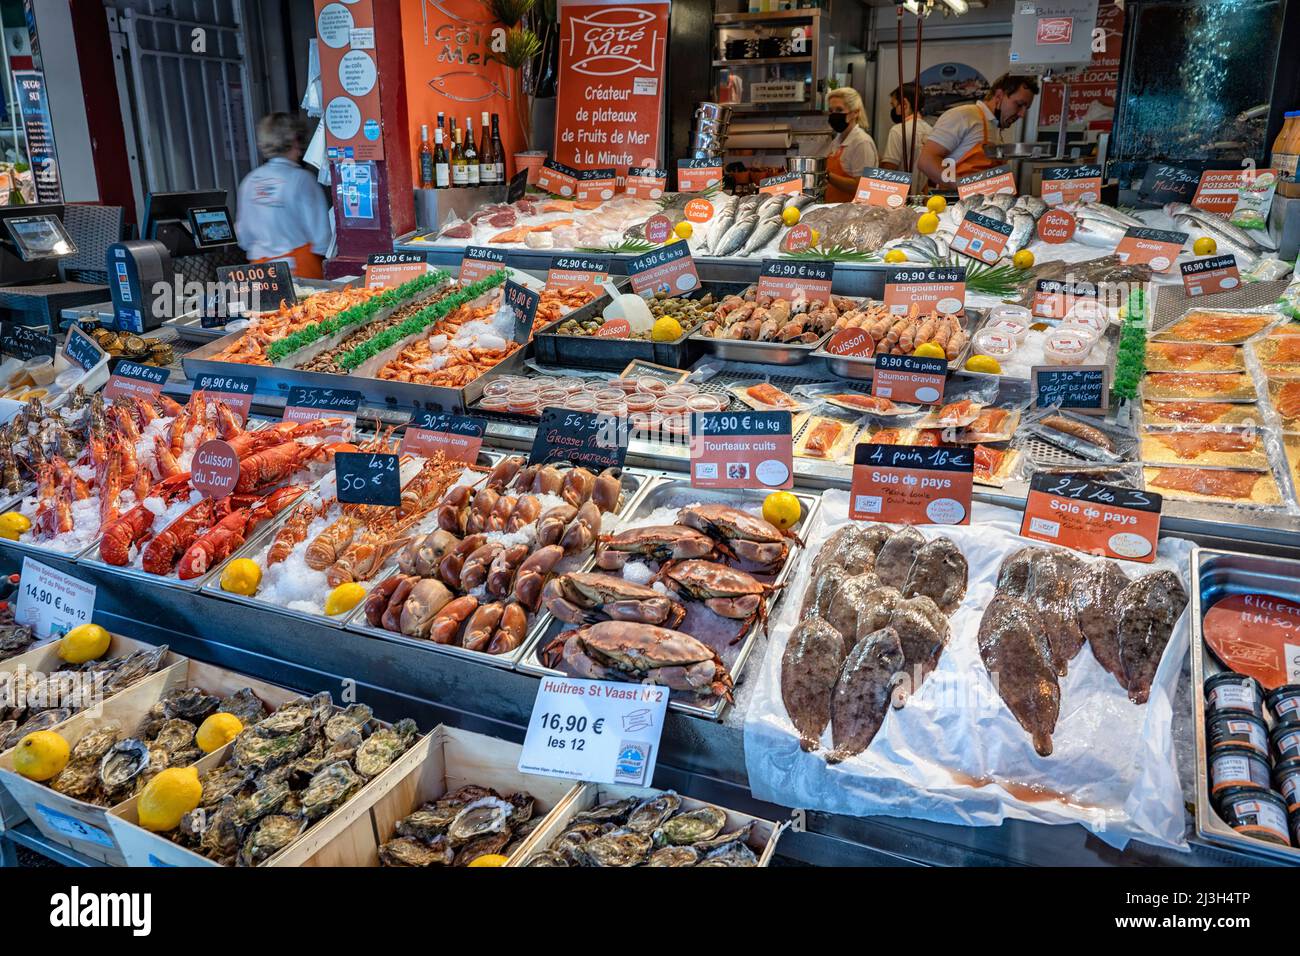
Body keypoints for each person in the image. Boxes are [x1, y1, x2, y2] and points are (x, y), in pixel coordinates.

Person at [236, 112, 332, 279]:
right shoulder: (302, 179)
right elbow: (322, 238)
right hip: (298, 271)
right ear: (295, 141)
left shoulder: (250, 181)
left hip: (259, 273)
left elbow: (243, 238)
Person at [916, 74, 1039, 188]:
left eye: (1026, 108)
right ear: (999, 96)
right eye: (1019, 104)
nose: (1022, 114)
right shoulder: (963, 115)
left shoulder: (994, 127)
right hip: (957, 205)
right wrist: (965, 187)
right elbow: (926, 161)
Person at [822, 87, 879, 203]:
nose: (834, 115)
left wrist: (827, 176)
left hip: (854, 214)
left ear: (855, 113)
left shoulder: (862, 143)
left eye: (839, 110)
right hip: (835, 211)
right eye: (831, 111)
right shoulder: (837, 140)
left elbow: (862, 186)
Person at [880, 83, 934, 189]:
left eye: (893, 105)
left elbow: (889, 170)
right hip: (921, 200)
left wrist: (880, 163)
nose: (893, 110)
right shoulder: (931, 131)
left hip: (898, 197)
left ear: (904, 104)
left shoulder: (898, 130)